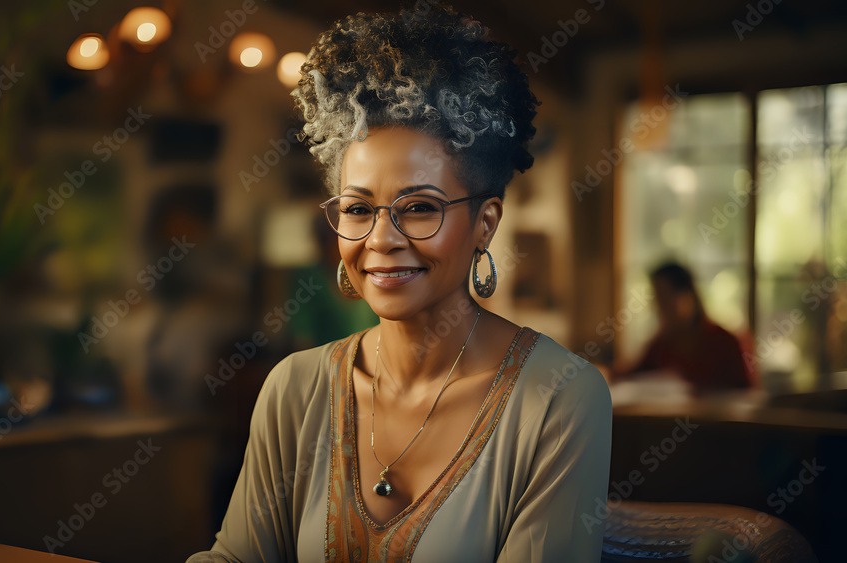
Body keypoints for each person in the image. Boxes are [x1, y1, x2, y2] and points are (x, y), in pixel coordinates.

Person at [187, 5, 611, 562]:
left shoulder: (558, 399)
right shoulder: (294, 390)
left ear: (485, 222)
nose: (381, 239)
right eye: (359, 208)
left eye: (418, 208)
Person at [618, 262, 754, 394]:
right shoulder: (661, 344)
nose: (660, 308)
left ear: (688, 296)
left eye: (666, 298)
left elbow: (747, 394)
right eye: (657, 299)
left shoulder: (725, 342)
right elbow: (630, 374)